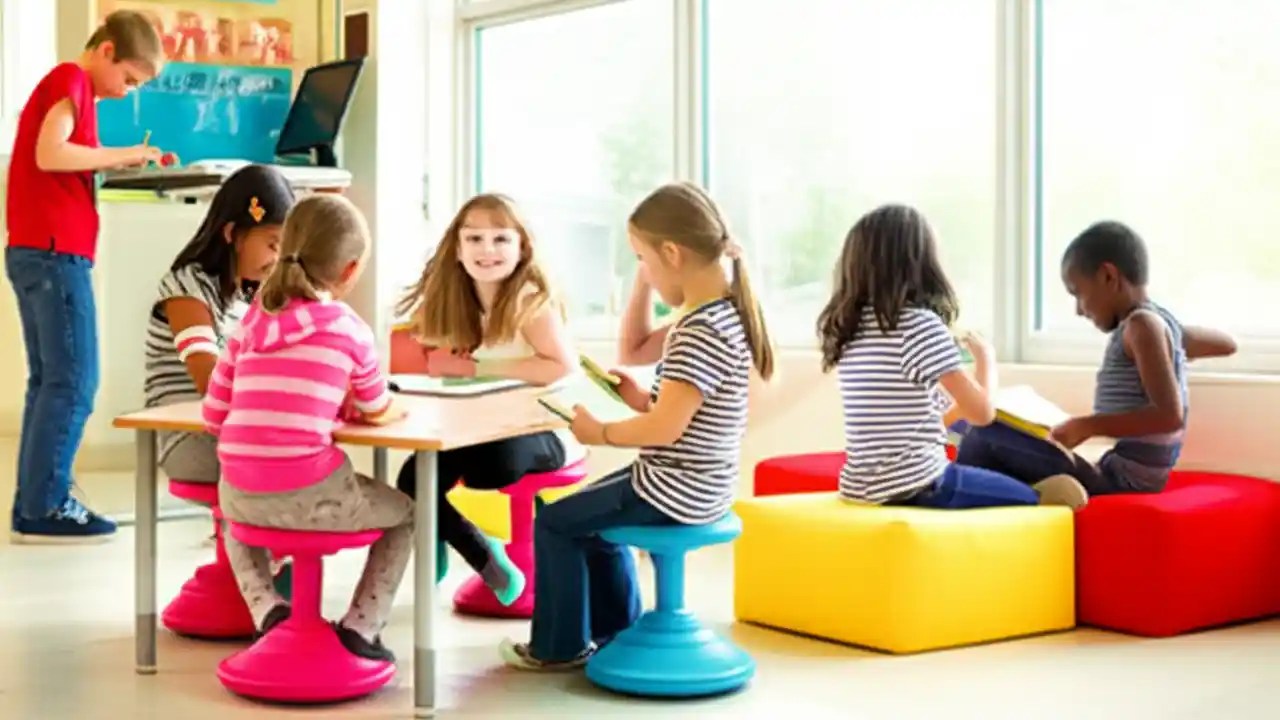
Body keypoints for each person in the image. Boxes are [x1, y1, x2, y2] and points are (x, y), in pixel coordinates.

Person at [499, 181, 774, 670]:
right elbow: (686, 411)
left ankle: (557, 649)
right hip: (701, 483)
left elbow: (666, 430)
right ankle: (617, 632)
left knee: (555, 522)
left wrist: (600, 433)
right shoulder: (724, 316)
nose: (643, 272)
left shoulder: (696, 330)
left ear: (672, 253)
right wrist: (638, 399)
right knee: (585, 516)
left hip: (675, 488)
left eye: (643, 260)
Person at [204, 194, 413, 661]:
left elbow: (214, 416)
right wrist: (388, 409)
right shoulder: (349, 328)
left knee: (232, 514)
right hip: (313, 494)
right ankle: (362, 627)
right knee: (406, 515)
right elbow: (376, 406)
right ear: (350, 269)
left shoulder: (250, 323)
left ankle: (266, 608)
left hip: (241, 495)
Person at [6, 10, 164, 542]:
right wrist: (124, 155)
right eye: (129, 78)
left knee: (49, 382)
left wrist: (114, 160)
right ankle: (46, 506)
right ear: (106, 51)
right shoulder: (70, 79)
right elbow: (50, 153)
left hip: (38, 250)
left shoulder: (76, 91)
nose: (127, 91)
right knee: (75, 381)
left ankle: (35, 502)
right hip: (55, 253)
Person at [817, 204, 1084, 509]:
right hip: (922, 484)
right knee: (1051, 494)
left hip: (860, 488)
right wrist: (986, 361)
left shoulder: (851, 332)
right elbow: (983, 415)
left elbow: (931, 419)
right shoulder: (919, 325)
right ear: (921, 263)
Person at [955, 220, 1237, 496]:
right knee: (995, 442)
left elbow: (1169, 417)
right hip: (1121, 470)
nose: (1079, 310)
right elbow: (1227, 344)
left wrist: (1086, 426)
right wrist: (1175, 337)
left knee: (980, 433)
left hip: (1119, 479)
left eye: (1078, 293)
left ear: (1108, 277)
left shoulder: (1142, 326)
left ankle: (989, 498)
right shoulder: (1159, 326)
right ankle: (1033, 492)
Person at [393, 193, 578, 605]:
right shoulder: (461, 299)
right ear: (458, 249)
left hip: (543, 431)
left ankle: (447, 538)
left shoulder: (530, 299)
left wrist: (473, 368)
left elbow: (560, 366)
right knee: (412, 477)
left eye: (500, 239)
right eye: (474, 238)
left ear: (521, 247)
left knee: (494, 464)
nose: (487, 250)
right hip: (482, 430)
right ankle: (483, 556)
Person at [146, 164, 295, 485]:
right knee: (303, 468)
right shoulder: (186, 288)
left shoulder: (252, 294)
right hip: (189, 437)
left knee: (313, 457)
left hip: (239, 428)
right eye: (272, 244)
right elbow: (210, 382)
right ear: (232, 235)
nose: (277, 260)